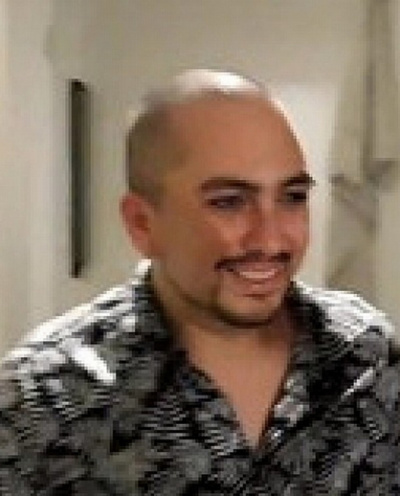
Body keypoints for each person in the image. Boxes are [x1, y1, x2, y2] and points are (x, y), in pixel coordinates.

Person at [0, 69, 399, 496]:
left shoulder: (368, 356)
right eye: (229, 203)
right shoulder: (46, 395)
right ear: (142, 224)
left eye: (292, 197)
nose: (271, 239)